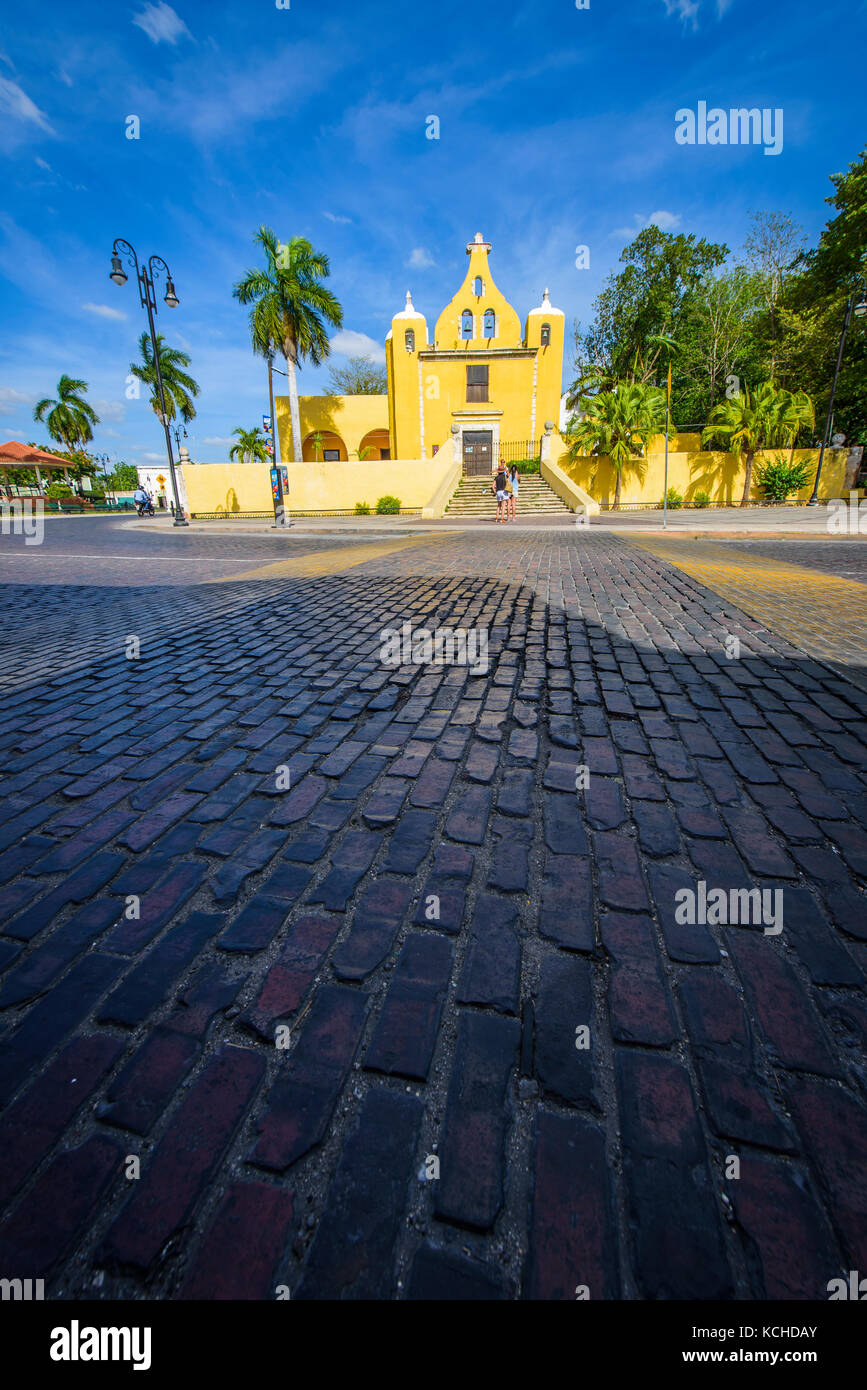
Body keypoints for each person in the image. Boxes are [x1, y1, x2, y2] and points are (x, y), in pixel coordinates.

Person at [492, 457, 508, 523]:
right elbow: (508, 484)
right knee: (503, 506)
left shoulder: (496, 477)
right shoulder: (505, 477)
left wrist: (495, 491)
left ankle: (496, 518)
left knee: (498, 505)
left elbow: (492, 486)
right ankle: (501, 519)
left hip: (498, 491)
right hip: (504, 491)